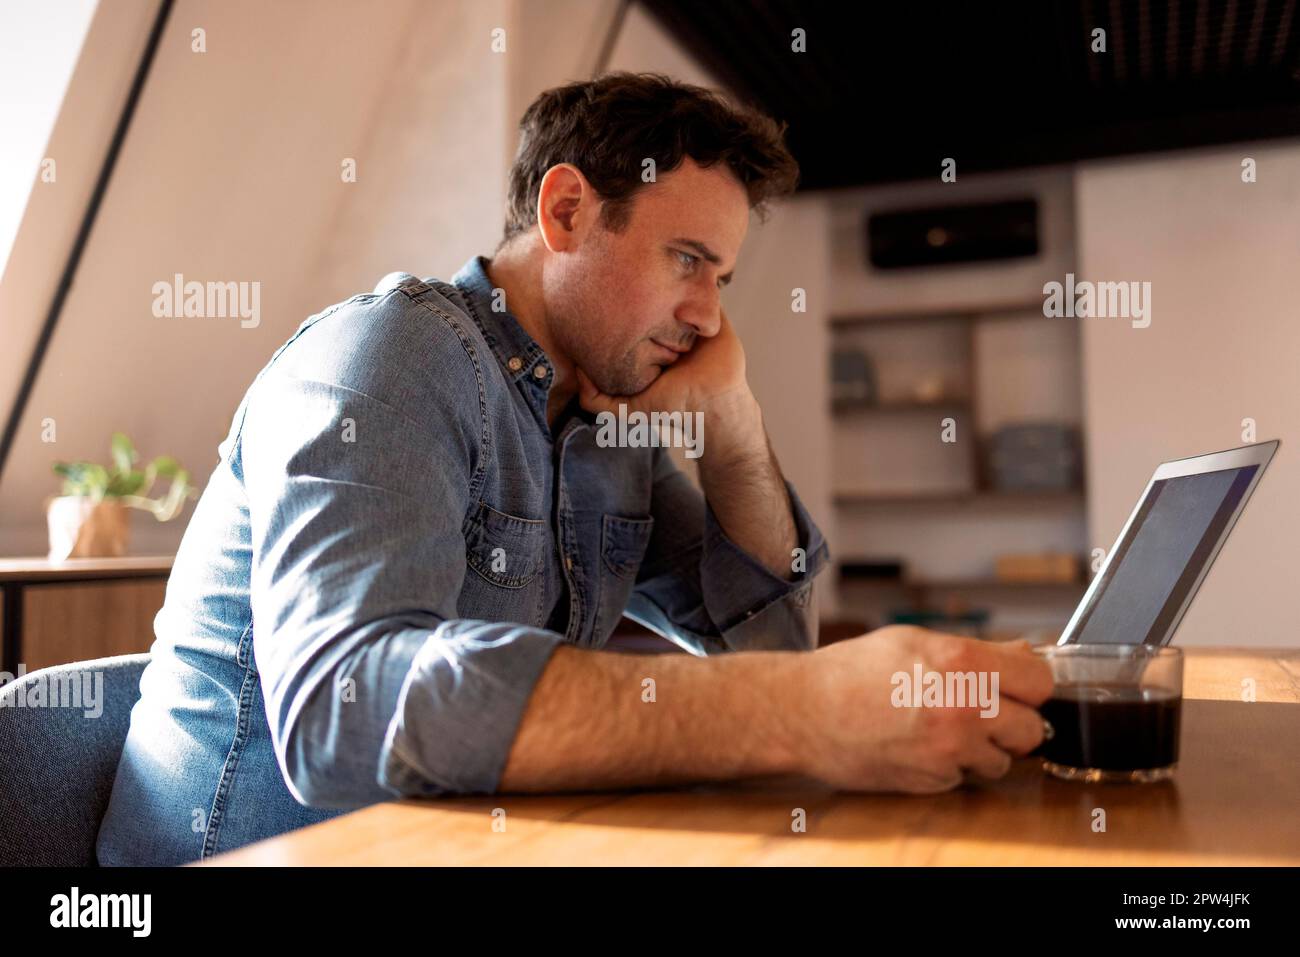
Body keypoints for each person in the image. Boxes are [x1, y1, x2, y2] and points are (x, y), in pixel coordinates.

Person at [97, 71, 1051, 866]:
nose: (709, 314)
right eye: (686, 259)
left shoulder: (602, 417)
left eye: (720, 277)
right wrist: (806, 712)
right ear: (565, 211)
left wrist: (732, 421)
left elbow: (770, 652)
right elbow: (346, 711)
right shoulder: (388, 357)